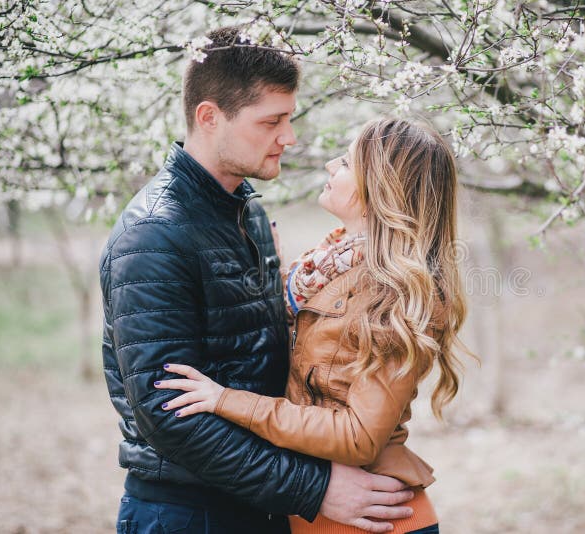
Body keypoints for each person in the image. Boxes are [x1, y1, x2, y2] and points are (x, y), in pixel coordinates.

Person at [99, 26, 415, 534]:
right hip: (188, 513)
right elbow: (168, 412)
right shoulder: (154, 234)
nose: (288, 138)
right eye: (271, 121)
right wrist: (314, 487)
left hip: (261, 504)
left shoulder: (246, 215)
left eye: (289, 119)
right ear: (209, 117)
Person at [153, 117, 469, 534]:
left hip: (370, 519)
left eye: (344, 163)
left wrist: (226, 400)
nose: (328, 167)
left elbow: (359, 436)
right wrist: (271, 275)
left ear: (379, 187)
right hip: (319, 510)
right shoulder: (326, 265)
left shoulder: (395, 295)